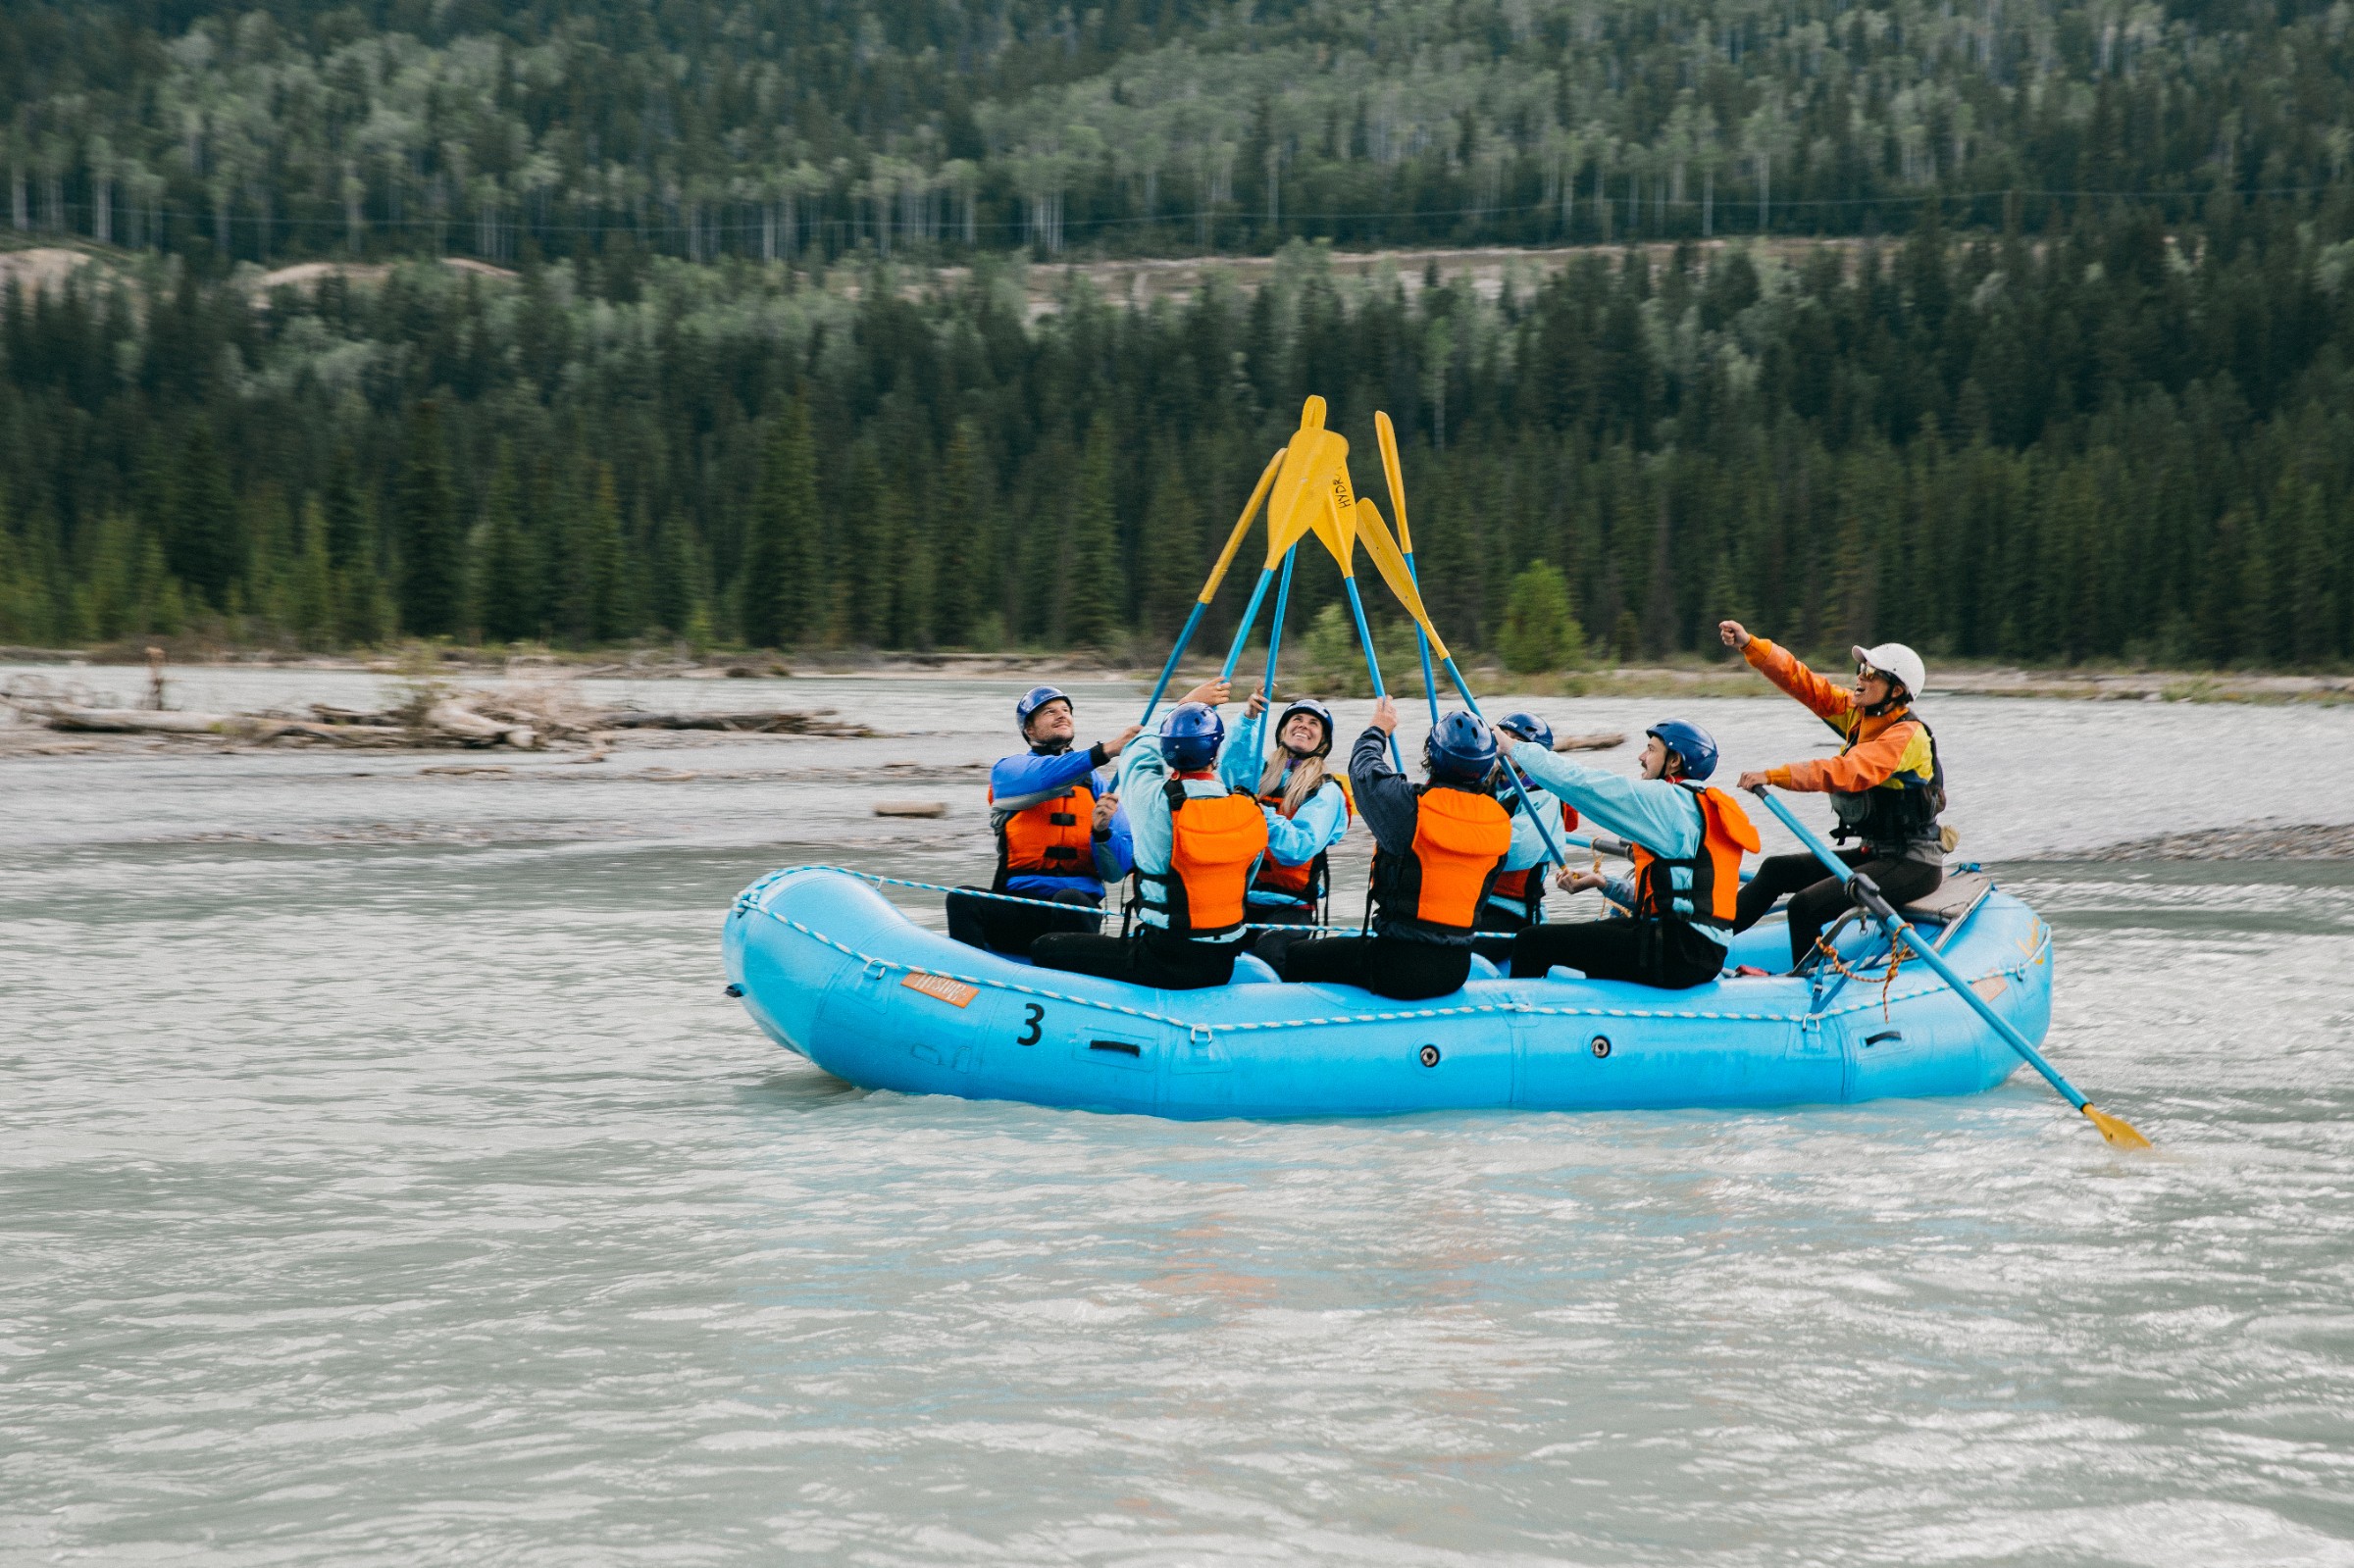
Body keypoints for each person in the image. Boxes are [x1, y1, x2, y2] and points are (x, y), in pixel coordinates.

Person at [1717, 622, 1948, 968]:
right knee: (1775, 870)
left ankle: (1809, 984)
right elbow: (1804, 683)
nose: (1861, 677)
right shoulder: (1860, 713)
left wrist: (1774, 775)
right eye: (1861, 669)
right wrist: (1751, 645)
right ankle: (1705, 941)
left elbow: (1847, 771)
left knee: (1804, 906)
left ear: (1897, 691)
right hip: (1878, 853)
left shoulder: (1907, 737)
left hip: (1912, 863)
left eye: (1872, 673)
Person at [1261, 698, 1512, 1001]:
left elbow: (1365, 768)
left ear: (1432, 757)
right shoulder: (1499, 819)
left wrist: (1378, 729)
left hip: (1397, 965)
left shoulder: (1410, 809)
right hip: (1455, 966)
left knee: (1294, 956)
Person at [1493, 719, 1761, 989]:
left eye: (1651, 750)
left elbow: (1585, 785)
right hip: (1699, 949)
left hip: (1677, 951)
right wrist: (1602, 882)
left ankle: (1520, 1017)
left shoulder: (1669, 803)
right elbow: (1676, 894)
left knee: (1532, 941)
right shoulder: (1698, 803)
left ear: (1674, 761)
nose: (1641, 757)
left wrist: (1514, 748)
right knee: (1600, 933)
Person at [1031, 692, 1270, 989]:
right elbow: (1244, 878)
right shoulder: (1248, 810)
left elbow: (1137, 750)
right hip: (1221, 962)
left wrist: (1180, 705)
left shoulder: (1154, 800)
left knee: (1046, 946)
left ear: (1167, 750)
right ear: (1216, 752)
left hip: (1164, 959)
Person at [945, 683, 1141, 957]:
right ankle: (968, 982)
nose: (1062, 715)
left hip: (1074, 913)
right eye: (1050, 711)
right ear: (1030, 729)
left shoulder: (1099, 786)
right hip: (1018, 911)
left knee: (1069, 900)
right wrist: (1107, 750)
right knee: (962, 898)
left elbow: (1116, 871)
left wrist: (1102, 833)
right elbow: (1046, 777)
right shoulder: (1009, 772)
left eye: (1066, 710)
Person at [1217, 692, 1354, 929]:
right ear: (1283, 731)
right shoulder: (1260, 773)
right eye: (1297, 719)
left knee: (1270, 951)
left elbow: (1297, 849)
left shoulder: (1326, 790)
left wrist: (1258, 811)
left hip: (1291, 906)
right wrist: (1248, 719)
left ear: (1322, 741)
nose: (1304, 725)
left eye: (1313, 723)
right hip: (1241, 897)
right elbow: (1232, 767)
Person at [1470, 712, 1580, 963]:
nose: (1505, 744)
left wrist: (1463, 842)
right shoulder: (1484, 785)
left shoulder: (1544, 795)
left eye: (1515, 740)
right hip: (1474, 901)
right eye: (1503, 736)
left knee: (1455, 946)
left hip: (1513, 913)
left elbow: (1518, 852)